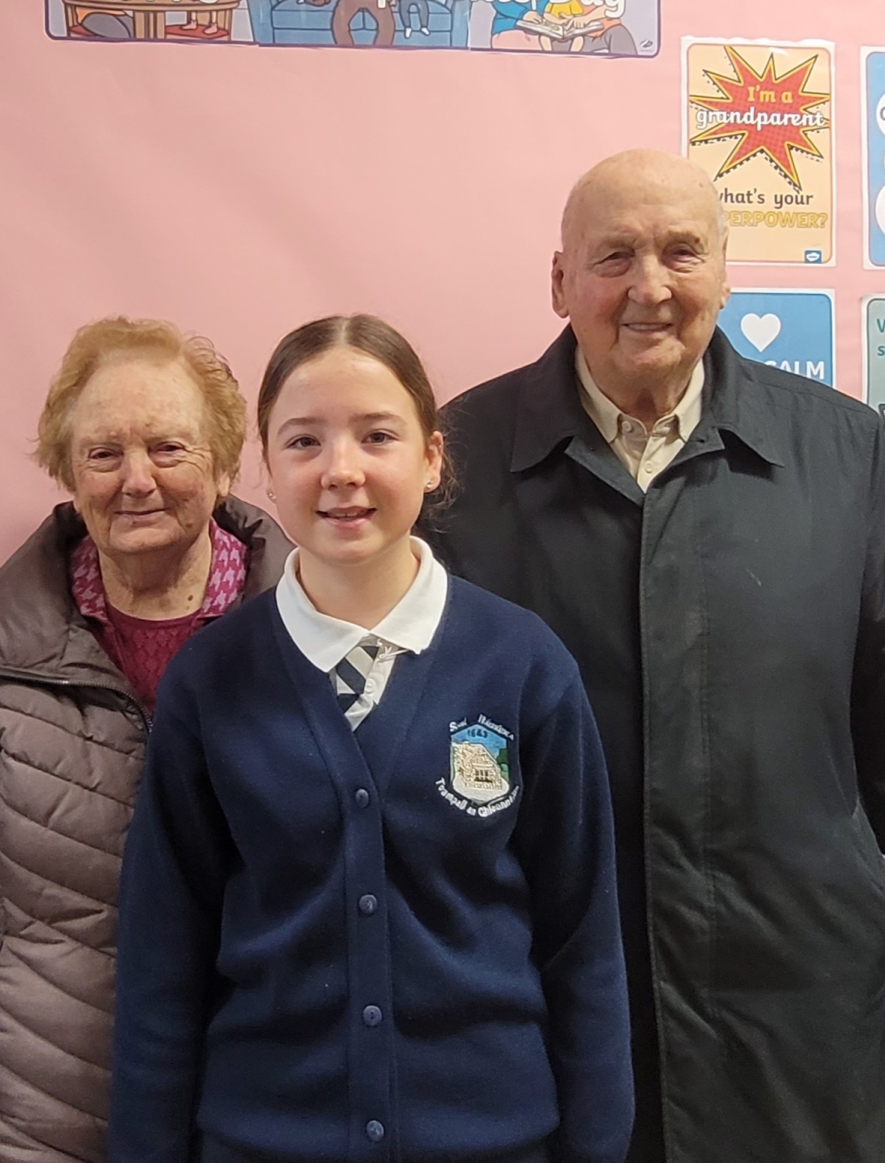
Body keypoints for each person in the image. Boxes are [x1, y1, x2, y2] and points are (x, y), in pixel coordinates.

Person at [424, 150, 885, 1163]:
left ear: (726, 272)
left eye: (681, 252)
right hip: (549, 1014)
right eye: (614, 256)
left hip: (801, 1019)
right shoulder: (455, 463)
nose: (650, 286)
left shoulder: (842, 452)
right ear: (560, 281)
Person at [109, 316, 632, 1163]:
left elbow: (585, 947)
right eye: (304, 440)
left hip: (495, 1143)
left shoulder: (524, 664)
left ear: (431, 457)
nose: (341, 470)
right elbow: (161, 957)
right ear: (265, 466)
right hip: (262, 1142)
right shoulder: (211, 679)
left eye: (377, 436)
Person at [0, 318, 289, 1162]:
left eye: (168, 447)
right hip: (23, 1115)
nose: (136, 480)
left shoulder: (310, 631)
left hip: (252, 1104)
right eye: (103, 453)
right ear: (66, 470)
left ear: (226, 462)